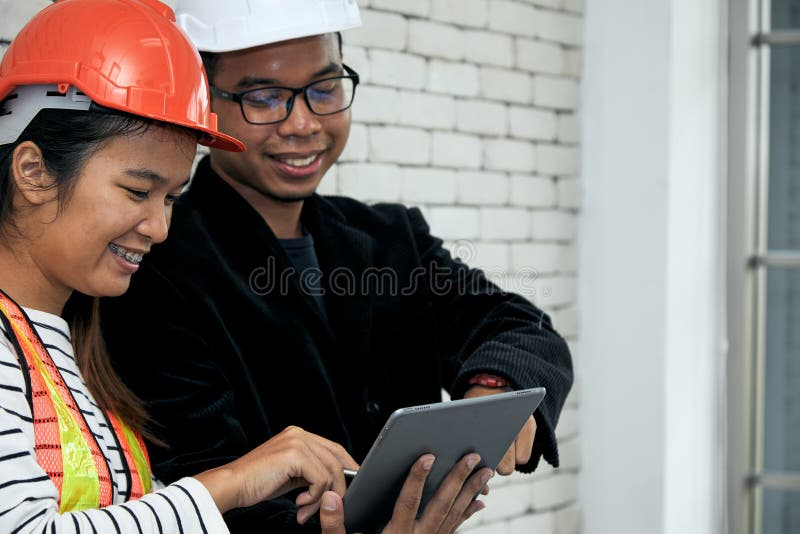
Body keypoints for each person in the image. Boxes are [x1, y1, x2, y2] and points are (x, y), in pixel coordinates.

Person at [0, 1, 491, 532]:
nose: (160, 229)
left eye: (170, 197)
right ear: (33, 171)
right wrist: (232, 483)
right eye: (138, 190)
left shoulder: (70, 336)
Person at [100, 0, 575, 531]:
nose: (302, 124)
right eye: (264, 97)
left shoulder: (393, 238)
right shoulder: (153, 264)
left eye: (324, 89)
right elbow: (200, 483)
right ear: (205, 102)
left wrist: (497, 387)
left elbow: (520, 326)